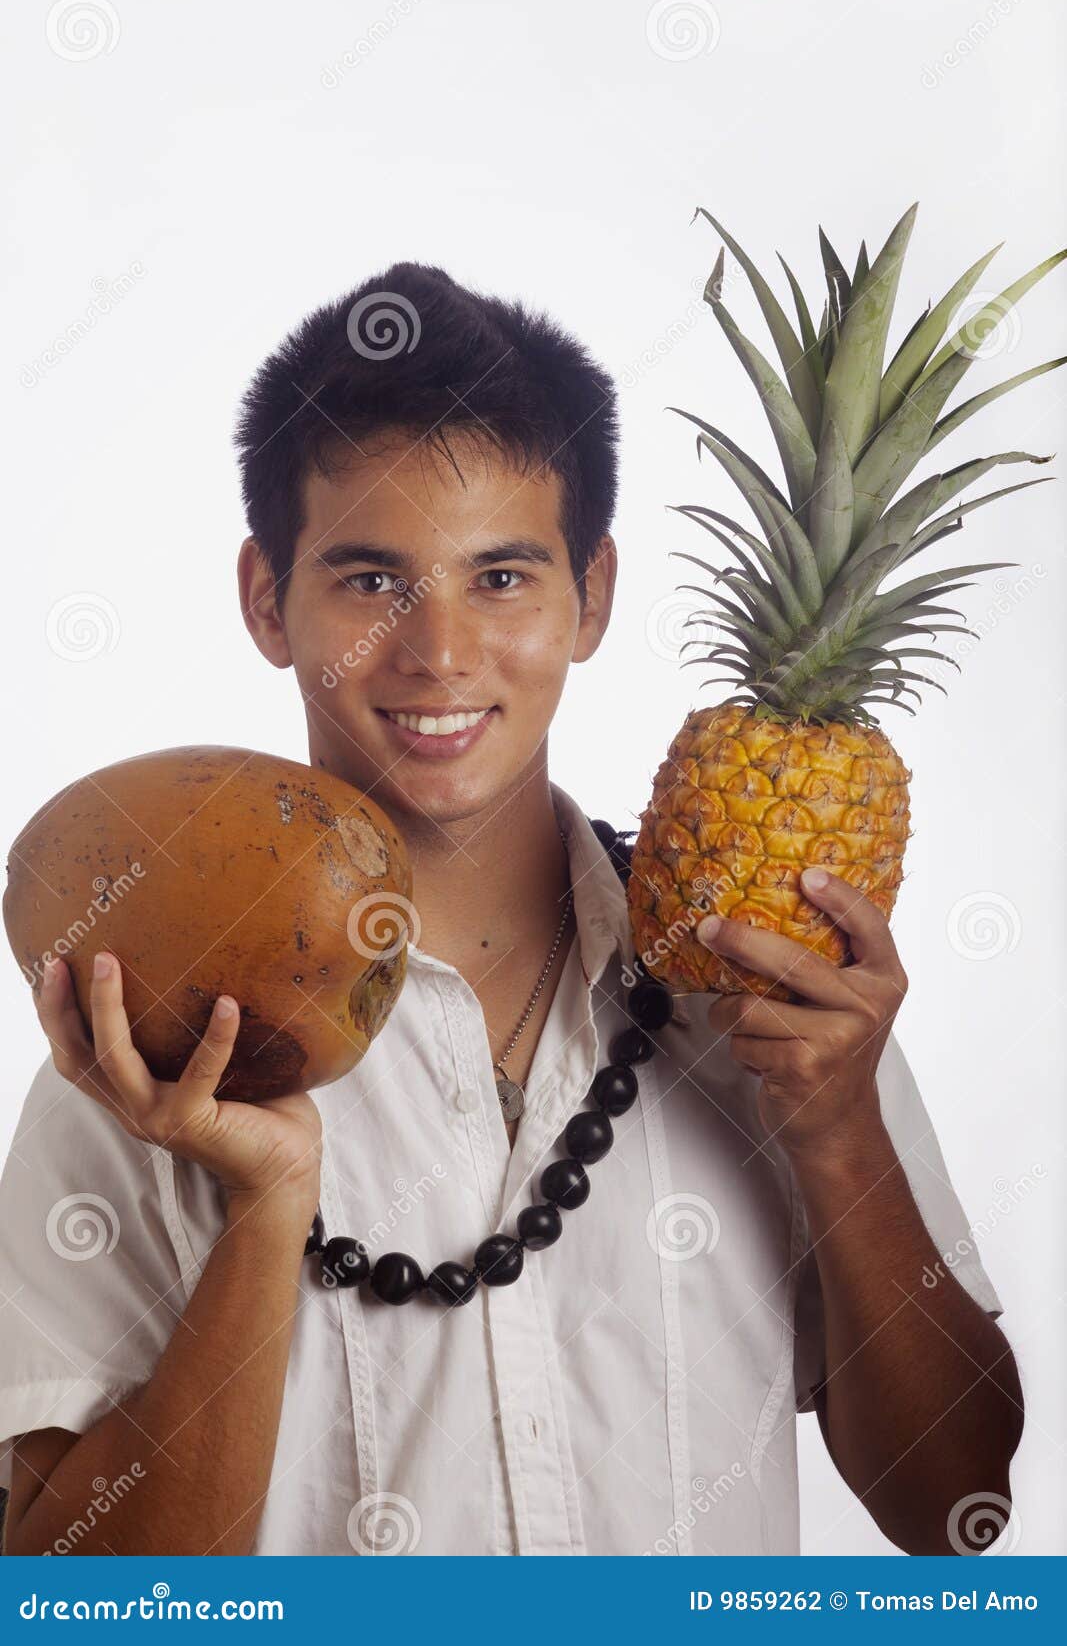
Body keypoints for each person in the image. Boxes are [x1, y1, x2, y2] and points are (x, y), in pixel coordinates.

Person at [0, 264, 1021, 1556]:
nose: (438, 652)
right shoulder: (141, 1055)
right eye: (371, 581)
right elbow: (73, 1606)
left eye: (502, 577)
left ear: (591, 593)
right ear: (268, 597)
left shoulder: (776, 997)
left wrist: (839, 1132)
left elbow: (956, 1504)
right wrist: (263, 1213)